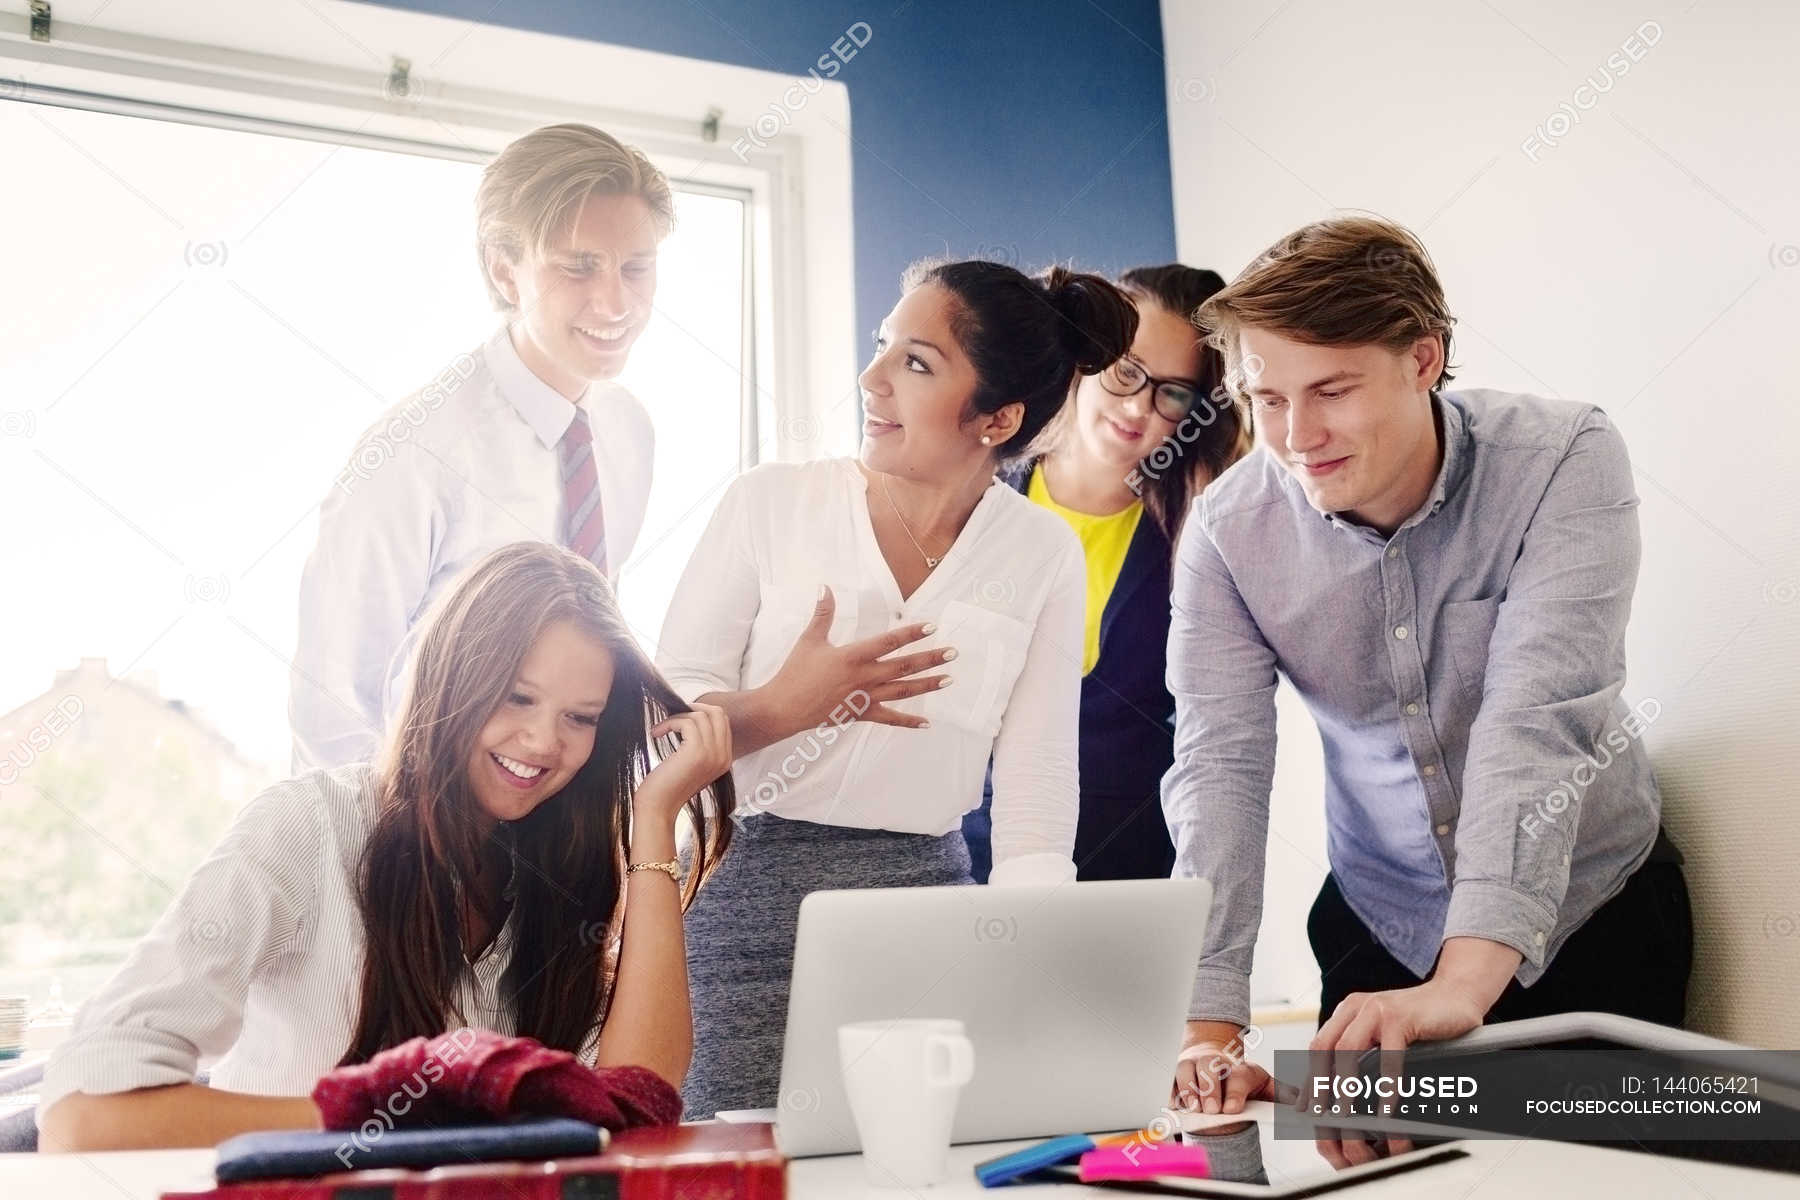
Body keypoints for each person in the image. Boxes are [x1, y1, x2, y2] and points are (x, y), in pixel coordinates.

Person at [1162, 217, 1693, 1163]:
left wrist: (1461, 985)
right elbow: (1220, 768)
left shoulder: (1562, 458)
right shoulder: (1227, 532)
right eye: (1266, 398)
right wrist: (1210, 1030)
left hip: (1591, 914)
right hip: (1382, 927)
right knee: (1376, 1176)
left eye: (1331, 391)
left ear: (1423, 359)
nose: (1296, 438)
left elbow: (1537, 720)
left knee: (1603, 1177)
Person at [37, 543, 734, 1152]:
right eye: (517, 698)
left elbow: (637, 1100)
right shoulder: (307, 826)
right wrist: (375, 1121)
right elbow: (79, 1116)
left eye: (579, 718)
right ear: (454, 679)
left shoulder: (560, 877)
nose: (544, 741)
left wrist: (653, 818)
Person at [654, 259, 1139, 1118]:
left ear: (998, 418)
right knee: (730, 1162)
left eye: (915, 362)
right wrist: (778, 709)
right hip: (736, 901)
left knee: (914, 1160)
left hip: (924, 916)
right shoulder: (771, 504)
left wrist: (1027, 961)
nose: (871, 379)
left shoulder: (1040, 553)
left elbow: (1035, 782)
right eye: (883, 347)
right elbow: (657, 730)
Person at [289, 123, 672, 772]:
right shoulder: (414, 451)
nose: (616, 303)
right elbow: (332, 707)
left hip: (559, 801)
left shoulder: (629, 430)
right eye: (578, 266)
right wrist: (396, 835)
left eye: (636, 268)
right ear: (504, 269)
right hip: (419, 812)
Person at [962, 263, 1248, 882]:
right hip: (973, 850)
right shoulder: (980, 497)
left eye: (1173, 392)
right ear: (1088, 360)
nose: (1139, 406)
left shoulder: (1198, 533)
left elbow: (1217, 733)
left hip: (1130, 863)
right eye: (1126, 371)